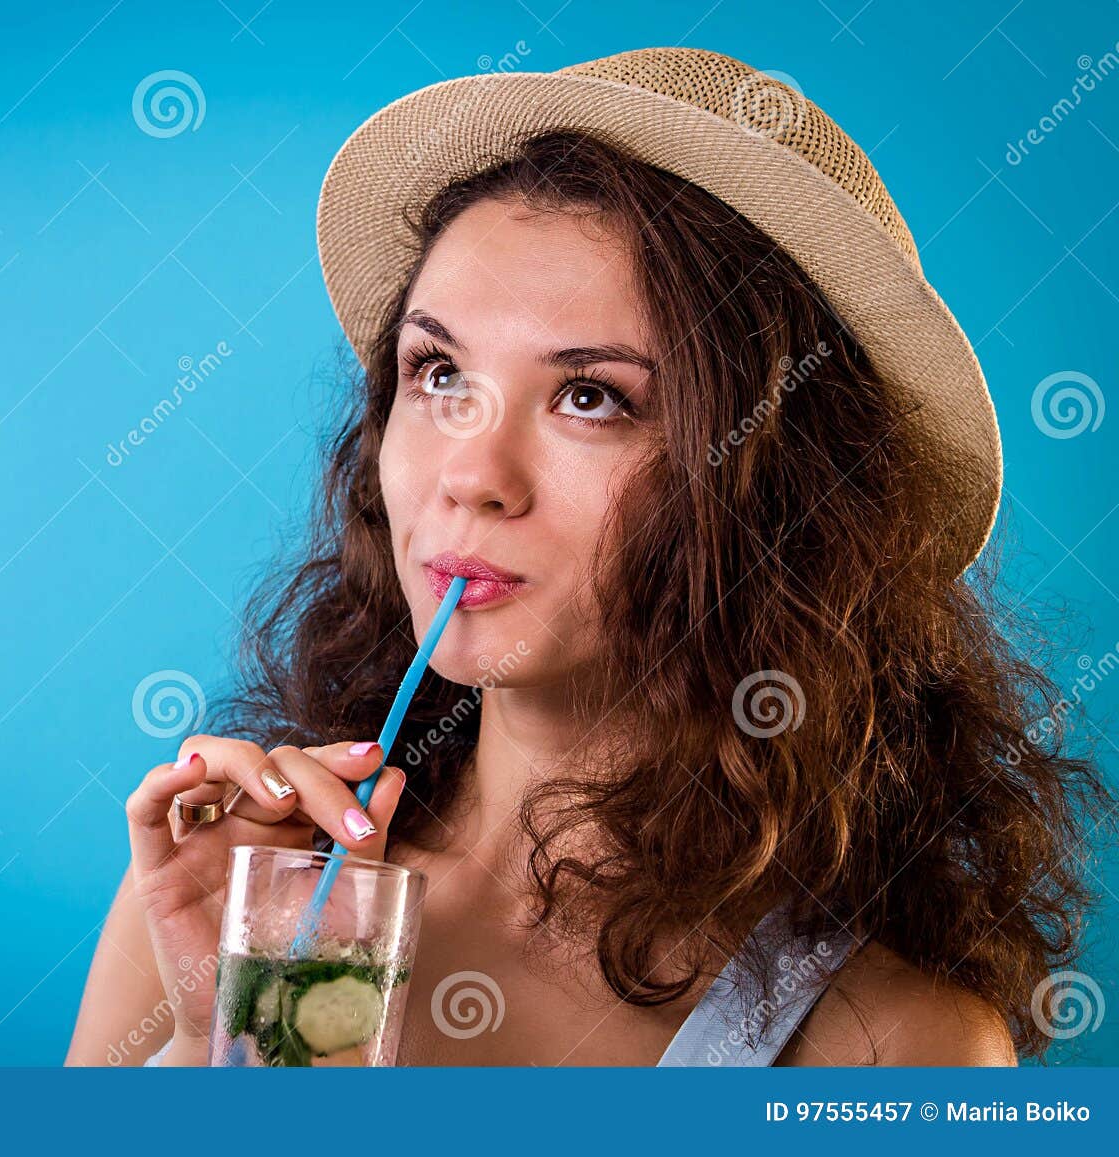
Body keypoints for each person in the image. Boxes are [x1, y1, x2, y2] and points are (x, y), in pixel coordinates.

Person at [65, 47, 1112, 1067]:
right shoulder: (239, 895)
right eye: (437, 373)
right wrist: (242, 1047)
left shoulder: (890, 1052)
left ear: (775, 486)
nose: (471, 475)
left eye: (590, 396)